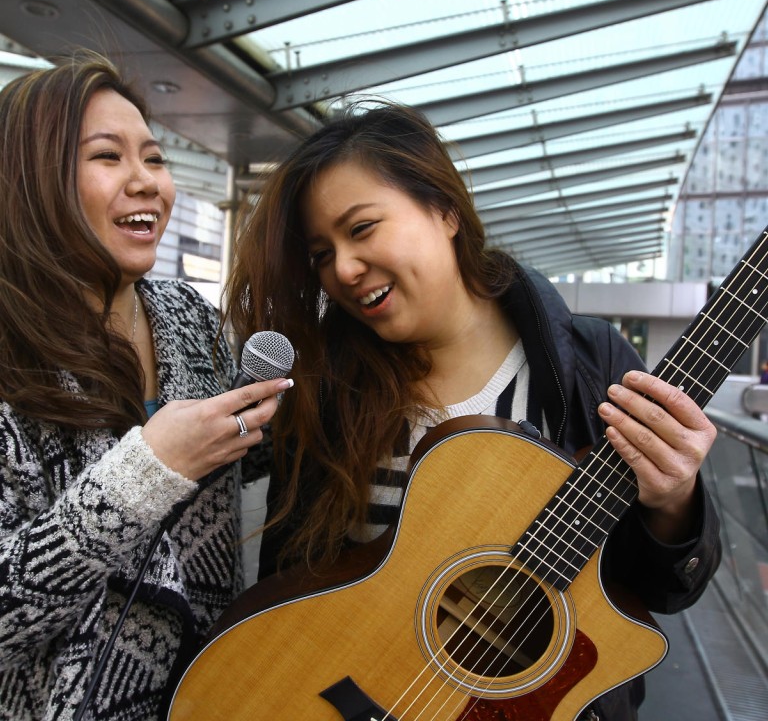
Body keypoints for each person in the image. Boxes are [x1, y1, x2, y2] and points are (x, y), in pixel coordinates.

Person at [224, 101, 723, 720]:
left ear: (445, 210)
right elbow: (288, 587)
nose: (344, 270)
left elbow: (657, 591)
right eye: (321, 254)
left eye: (362, 229)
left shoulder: (592, 366)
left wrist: (673, 501)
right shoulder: (327, 388)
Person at [0, 51, 292, 720]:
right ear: (30, 179)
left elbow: (247, 461)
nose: (147, 182)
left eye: (155, 158)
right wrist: (146, 473)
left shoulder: (186, 315)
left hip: (212, 696)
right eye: (108, 156)